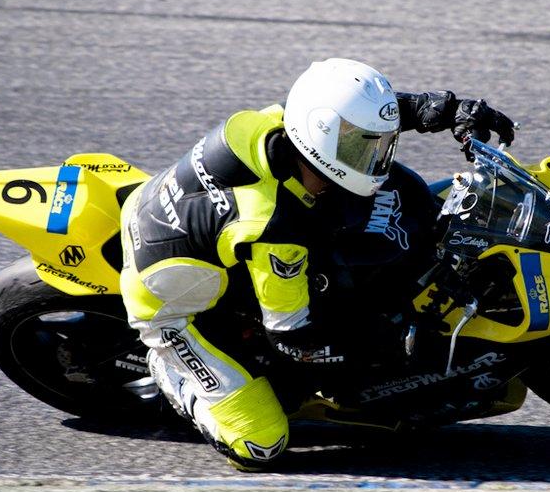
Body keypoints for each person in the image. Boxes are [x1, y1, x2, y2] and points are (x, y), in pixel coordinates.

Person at [119, 58, 515, 469]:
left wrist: (446, 109)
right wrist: (381, 342)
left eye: (376, 145)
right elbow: (292, 337)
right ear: (321, 136)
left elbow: (355, 119)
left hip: (182, 224)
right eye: (363, 148)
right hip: (169, 307)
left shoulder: (280, 125)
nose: (375, 157)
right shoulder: (276, 229)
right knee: (260, 446)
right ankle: (172, 371)